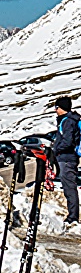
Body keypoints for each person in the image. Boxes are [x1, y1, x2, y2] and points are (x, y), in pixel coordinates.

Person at [55, 96, 80, 226]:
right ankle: (72, 215)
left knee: (69, 187)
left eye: (56, 107)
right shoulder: (68, 120)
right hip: (66, 158)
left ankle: (73, 217)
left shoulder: (67, 121)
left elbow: (67, 141)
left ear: (61, 108)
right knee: (68, 187)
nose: (55, 110)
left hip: (67, 158)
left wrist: (56, 149)